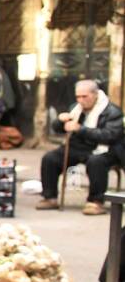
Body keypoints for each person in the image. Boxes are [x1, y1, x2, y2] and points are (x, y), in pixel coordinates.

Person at [38, 79, 124, 215]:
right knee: (50, 158)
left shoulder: (112, 111)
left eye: (85, 96)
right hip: (79, 146)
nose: (81, 100)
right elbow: (59, 129)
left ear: (95, 94)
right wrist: (60, 121)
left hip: (105, 148)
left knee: (96, 162)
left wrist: (80, 129)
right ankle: (50, 197)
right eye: (78, 96)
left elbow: (110, 135)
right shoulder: (76, 108)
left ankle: (96, 201)